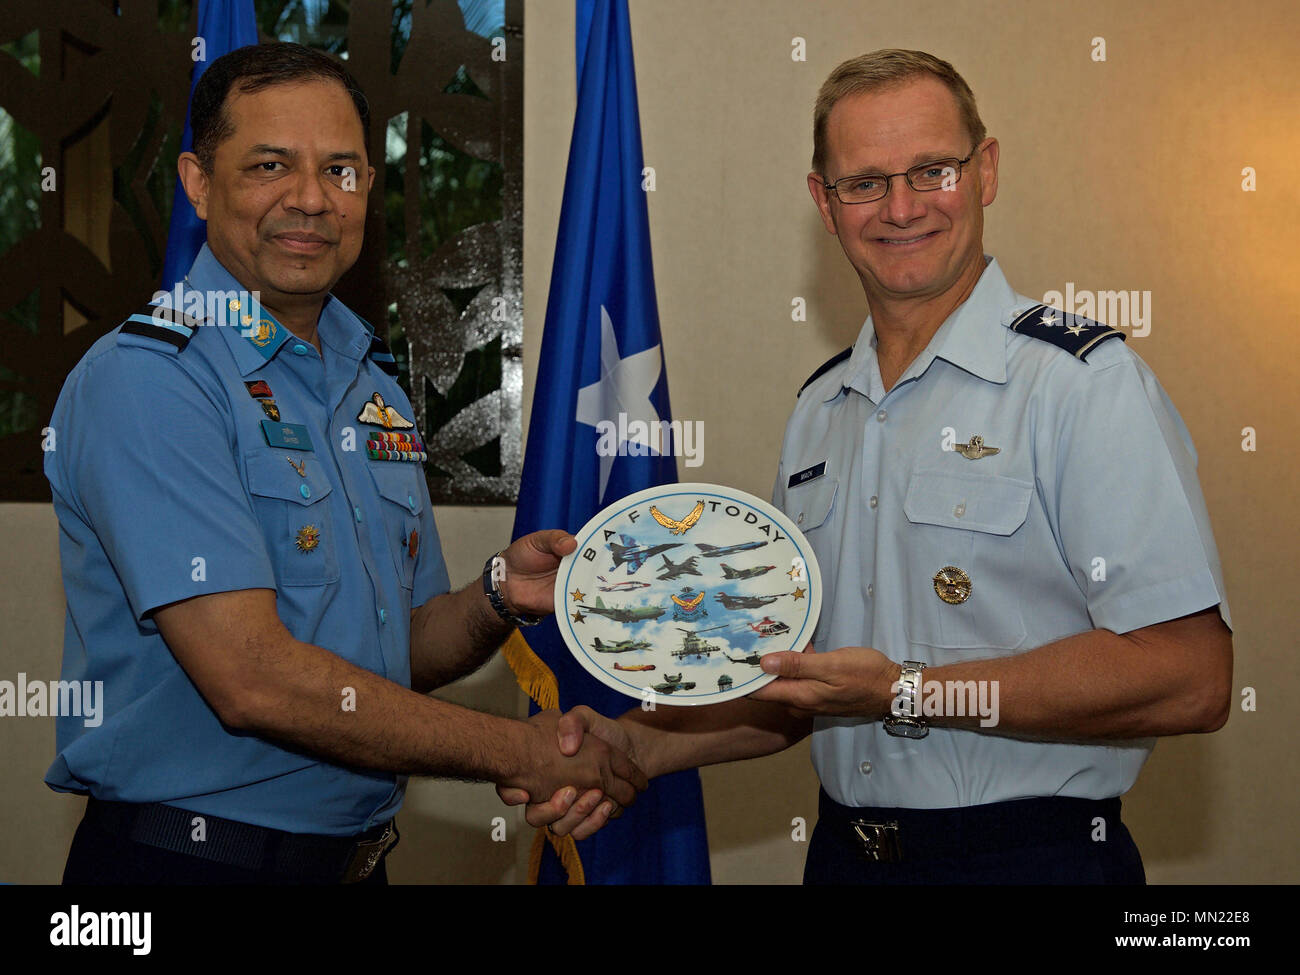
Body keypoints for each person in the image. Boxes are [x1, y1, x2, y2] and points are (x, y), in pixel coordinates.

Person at [507, 49, 1233, 884]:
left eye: (933, 170)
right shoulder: (821, 410)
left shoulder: (1082, 385)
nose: (901, 208)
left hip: (1029, 858)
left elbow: (1192, 675)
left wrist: (910, 690)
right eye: (864, 182)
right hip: (845, 858)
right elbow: (800, 682)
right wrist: (634, 741)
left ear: (985, 170)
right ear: (824, 201)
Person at [44, 42, 645, 885]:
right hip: (190, 864)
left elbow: (397, 650)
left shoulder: (371, 387)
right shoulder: (151, 380)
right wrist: (522, 750)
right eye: (268, 165)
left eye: (341, 169)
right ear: (197, 181)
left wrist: (498, 594)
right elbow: (253, 679)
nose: (310, 199)